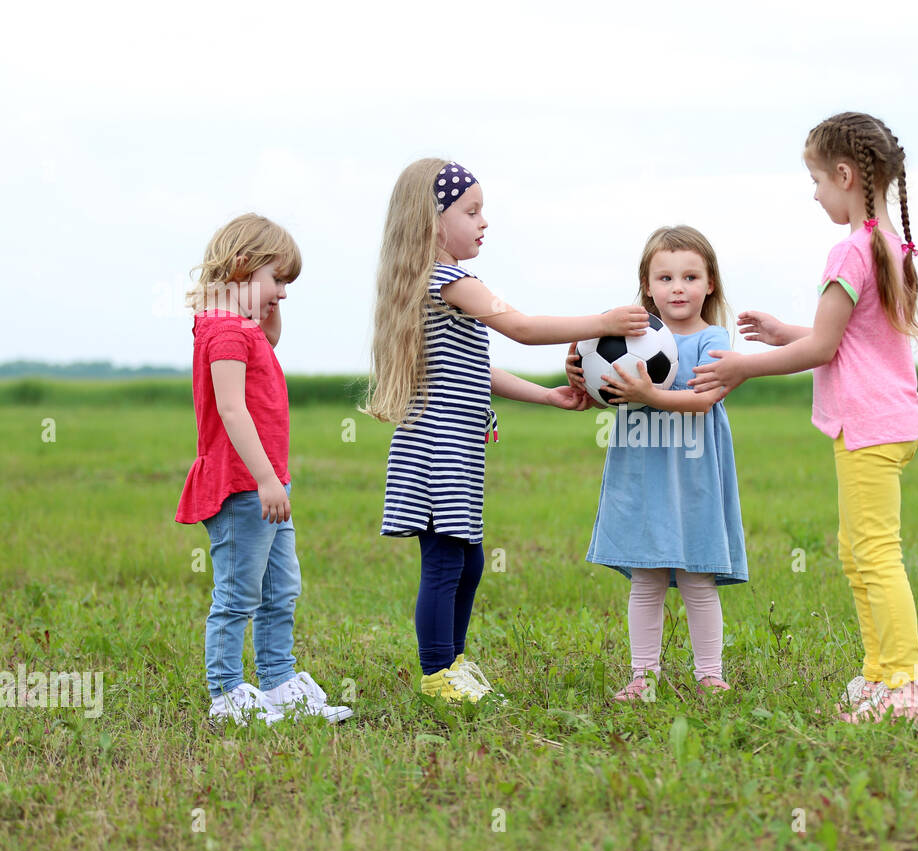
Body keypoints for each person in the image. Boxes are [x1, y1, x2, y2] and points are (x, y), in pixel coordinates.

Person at [365, 158, 649, 704]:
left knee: (467, 558)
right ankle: (436, 673)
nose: (483, 223)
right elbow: (519, 327)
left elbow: (478, 370)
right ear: (432, 219)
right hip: (439, 450)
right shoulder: (452, 280)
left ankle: (453, 661)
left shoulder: (432, 284)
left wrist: (546, 396)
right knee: (447, 560)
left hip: (453, 448)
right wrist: (603, 322)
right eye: (471, 212)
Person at [690, 112, 918, 723]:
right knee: (857, 551)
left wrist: (746, 365)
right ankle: (879, 674)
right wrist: (782, 334)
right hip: (885, 420)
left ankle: (904, 686)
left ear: (846, 175)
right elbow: (855, 339)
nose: (816, 193)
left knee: (875, 554)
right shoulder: (888, 246)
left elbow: (825, 348)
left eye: (817, 181)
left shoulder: (850, 251)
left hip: (868, 425)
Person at [177, 213, 352, 726]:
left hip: (266, 483)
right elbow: (232, 410)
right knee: (237, 594)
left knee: (281, 589)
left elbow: (268, 343)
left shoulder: (240, 329)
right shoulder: (225, 335)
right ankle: (227, 693)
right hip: (243, 486)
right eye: (277, 280)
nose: (283, 292)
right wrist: (267, 479)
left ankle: (279, 683)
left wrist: (268, 306)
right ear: (241, 267)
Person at [567, 225, 747, 701]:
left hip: (692, 477)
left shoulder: (713, 338)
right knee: (645, 578)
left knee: (696, 578)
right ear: (647, 286)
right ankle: (643, 676)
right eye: (665, 278)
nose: (678, 287)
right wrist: (584, 374)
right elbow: (611, 393)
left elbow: (704, 401)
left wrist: (652, 393)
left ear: (710, 284)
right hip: (642, 474)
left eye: (690, 276)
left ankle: (710, 674)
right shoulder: (629, 334)